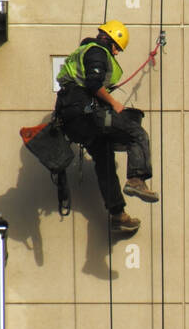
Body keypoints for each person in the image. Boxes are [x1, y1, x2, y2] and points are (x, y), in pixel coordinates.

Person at [54, 20, 159, 234]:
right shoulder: (97, 51)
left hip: (72, 121)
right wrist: (114, 103)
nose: (117, 53)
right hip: (85, 113)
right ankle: (137, 179)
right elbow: (93, 84)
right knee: (137, 134)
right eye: (118, 48)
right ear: (111, 41)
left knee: (105, 161)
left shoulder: (83, 52)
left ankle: (117, 214)